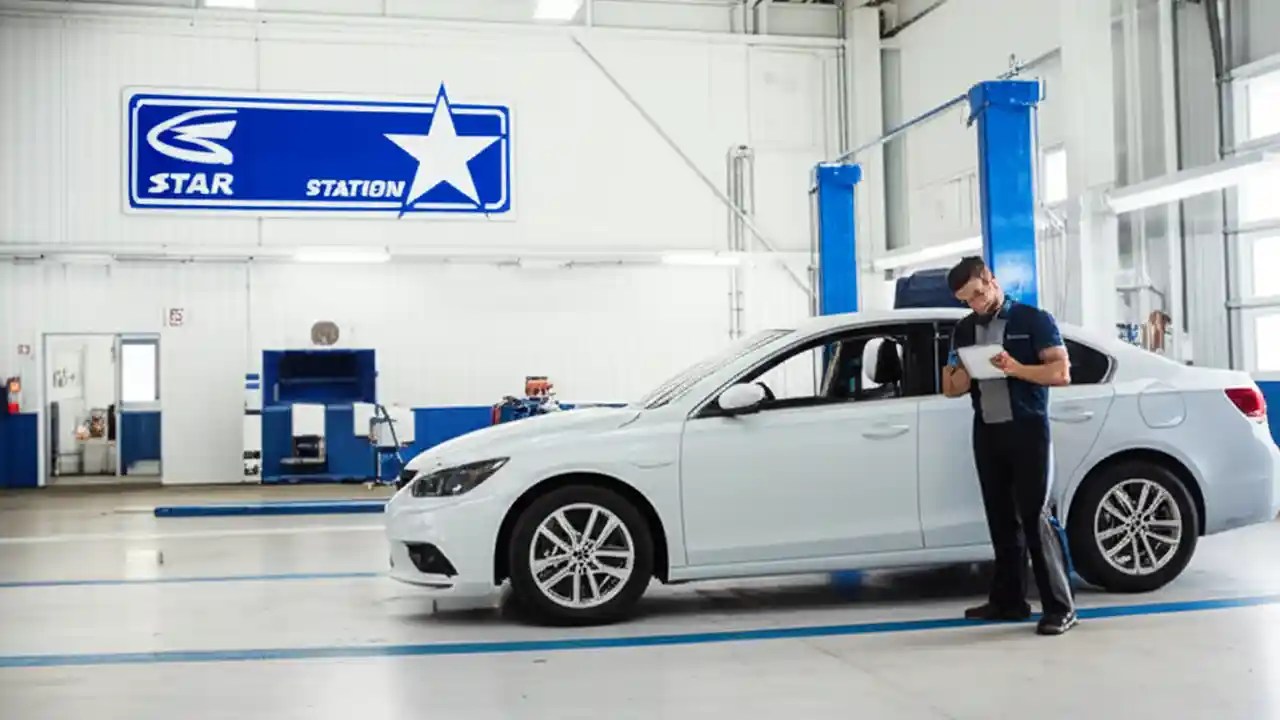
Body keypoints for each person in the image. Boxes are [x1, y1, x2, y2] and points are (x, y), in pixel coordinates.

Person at [941, 256, 1077, 636]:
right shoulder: (964, 330)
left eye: (978, 294)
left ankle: (1060, 607)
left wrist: (1015, 368)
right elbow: (950, 387)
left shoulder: (1033, 320)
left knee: (1036, 517)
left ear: (991, 280)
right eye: (967, 301)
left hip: (1028, 428)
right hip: (987, 430)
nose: (976, 304)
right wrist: (967, 371)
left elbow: (1061, 372)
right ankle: (1008, 600)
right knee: (1000, 519)